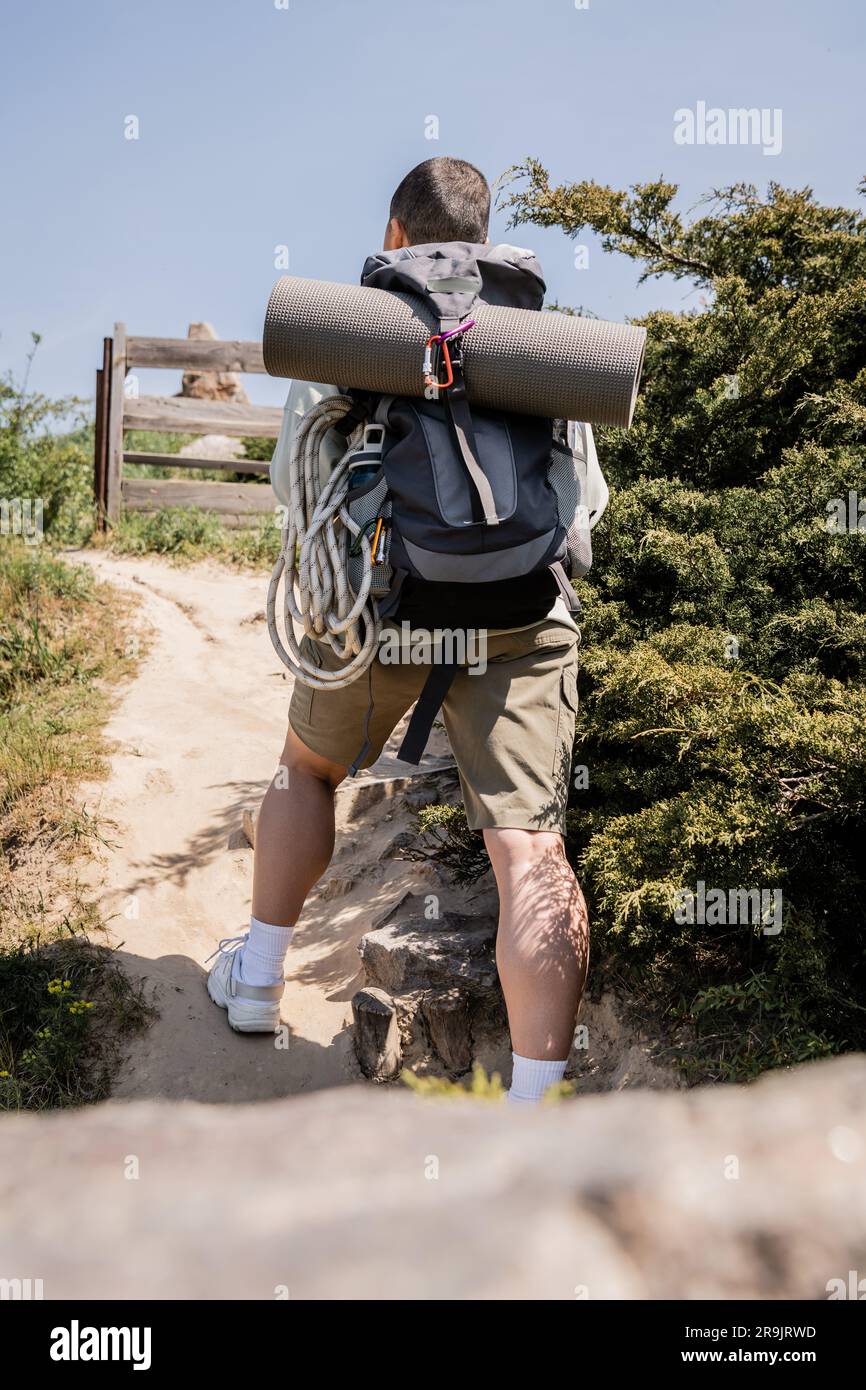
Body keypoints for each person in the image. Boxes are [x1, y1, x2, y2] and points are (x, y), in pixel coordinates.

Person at [207, 157, 596, 1106]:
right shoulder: (541, 338)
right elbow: (585, 503)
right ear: (486, 231)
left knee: (306, 770)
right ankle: (538, 1110)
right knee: (532, 853)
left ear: (395, 235)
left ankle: (258, 979)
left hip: (379, 616)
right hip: (519, 617)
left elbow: (295, 491)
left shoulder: (356, 333)